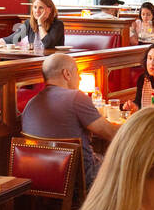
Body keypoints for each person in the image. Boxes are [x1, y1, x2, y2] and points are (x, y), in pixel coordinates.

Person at [23, 52, 121, 187]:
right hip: (78, 178)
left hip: (38, 178)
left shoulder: (30, 104)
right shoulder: (76, 97)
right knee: (128, 164)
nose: (79, 78)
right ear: (67, 74)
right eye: (77, 71)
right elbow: (112, 133)